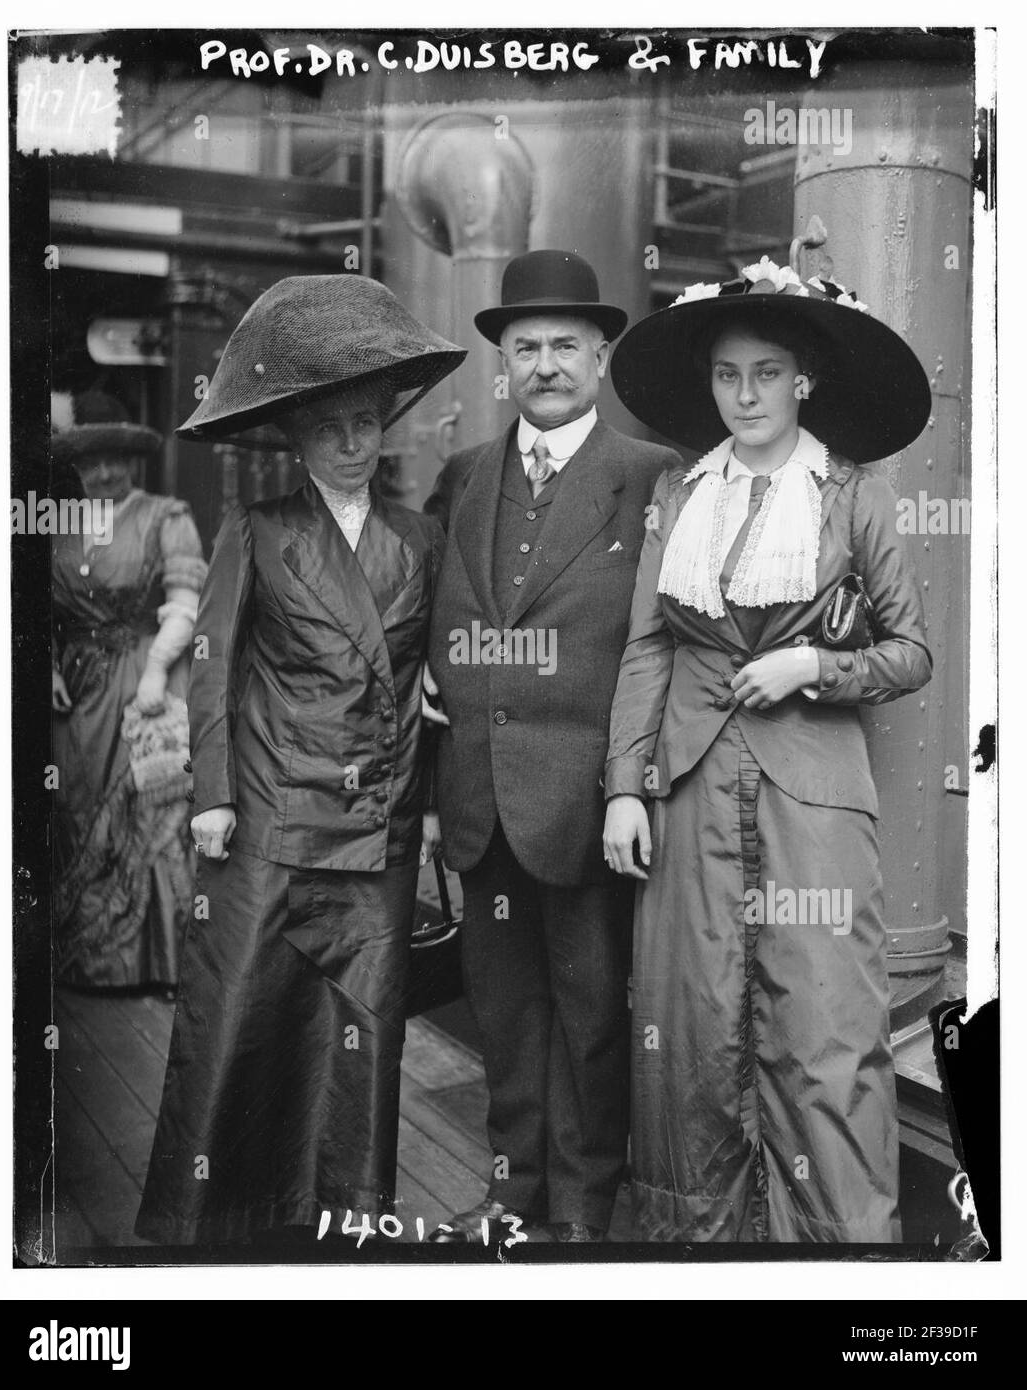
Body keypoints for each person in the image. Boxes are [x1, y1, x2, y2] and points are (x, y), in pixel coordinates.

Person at [603, 257, 934, 1242]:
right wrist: (624, 786)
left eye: (766, 372)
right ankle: (701, 1245)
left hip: (813, 792)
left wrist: (812, 671)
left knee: (824, 1026)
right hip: (690, 784)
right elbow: (648, 643)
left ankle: (835, 1256)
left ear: (805, 379)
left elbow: (910, 652)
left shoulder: (852, 494)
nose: (744, 395)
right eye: (725, 374)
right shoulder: (680, 489)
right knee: (691, 1026)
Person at [135, 276, 465, 1249]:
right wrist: (211, 794)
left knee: (363, 1030)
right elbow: (211, 665)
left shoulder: (421, 538)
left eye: (367, 423)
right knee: (241, 1012)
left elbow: (432, 670)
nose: (354, 444)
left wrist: (435, 774)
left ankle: (345, 1220)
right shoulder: (258, 530)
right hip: (275, 817)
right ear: (299, 438)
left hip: (381, 825)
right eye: (333, 428)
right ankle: (212, 1213)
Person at [424, 250, 684, 1243]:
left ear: (600, 352)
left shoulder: (647, 475)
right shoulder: (462, 478)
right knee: (504, 1017)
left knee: (591, 1022)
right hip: (482, 801)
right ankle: (511, 1197)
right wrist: (418, 667)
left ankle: (580, 1216)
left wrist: (631, 782)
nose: (543, 364)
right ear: (502, 362)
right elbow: (432, 607)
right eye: (524, 347)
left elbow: (662, 642)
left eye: (564, 346)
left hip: (585, 806)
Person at [52, 391, 207, 990]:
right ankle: (87, 963)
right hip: (76, 687)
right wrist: (45, 666)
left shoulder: (165, 515)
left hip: (146, 673)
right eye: (91, 460)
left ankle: (162, 965)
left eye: (116, 458)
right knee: (76, 807)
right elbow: (30, 609)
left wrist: (156, 670)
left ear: (133, 460)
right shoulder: (56, 522)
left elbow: (184, 604)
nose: (104, 471)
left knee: (156, 812)